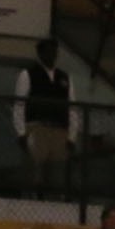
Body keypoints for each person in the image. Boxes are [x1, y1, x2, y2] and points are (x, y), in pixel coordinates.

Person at [14, 37, 79, 190]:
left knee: (57, 176)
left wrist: (72, 136)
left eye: (54, 52)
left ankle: (54, 204)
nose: (52, 55)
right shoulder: (28, 74)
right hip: (37, 127)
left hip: (60, 129)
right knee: (35, 172)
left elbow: (73, 108)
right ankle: (32, 203)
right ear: (40, 53)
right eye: (48, 51)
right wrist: (21, 132)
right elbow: (19, 105)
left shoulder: (64, 77)